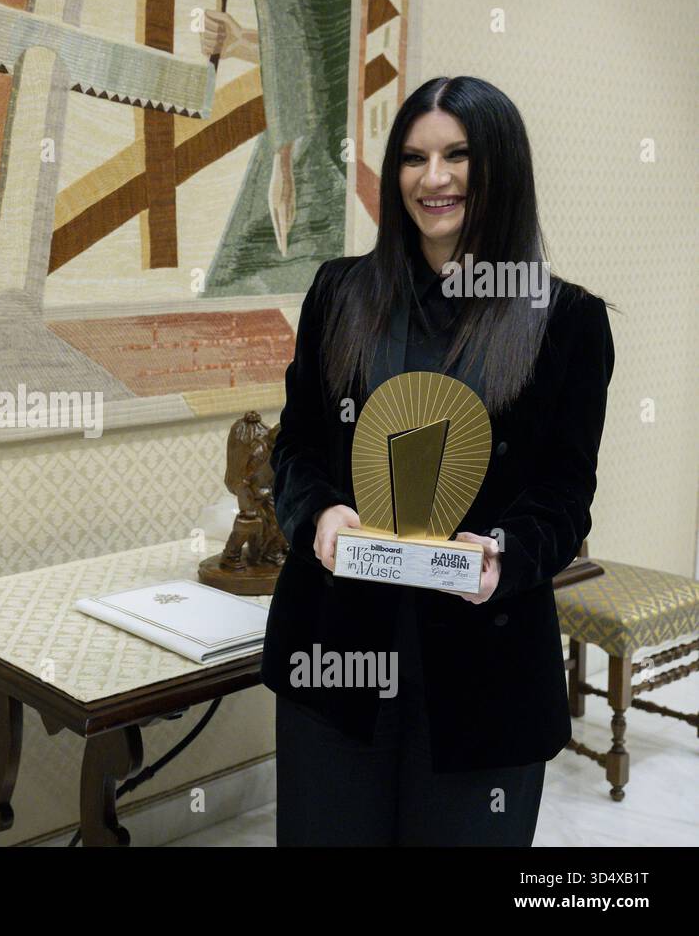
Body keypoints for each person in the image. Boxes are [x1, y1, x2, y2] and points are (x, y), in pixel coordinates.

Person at [260, 76, 615, 845]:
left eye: (458, 155)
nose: (434, 179)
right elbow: (297, 447)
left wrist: (505, 554)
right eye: (414, 158)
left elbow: (563, 491)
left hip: (483, 677)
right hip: (339, 660)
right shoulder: (340, 294)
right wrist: (317, 512)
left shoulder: (567, 322)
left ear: (501, 169)